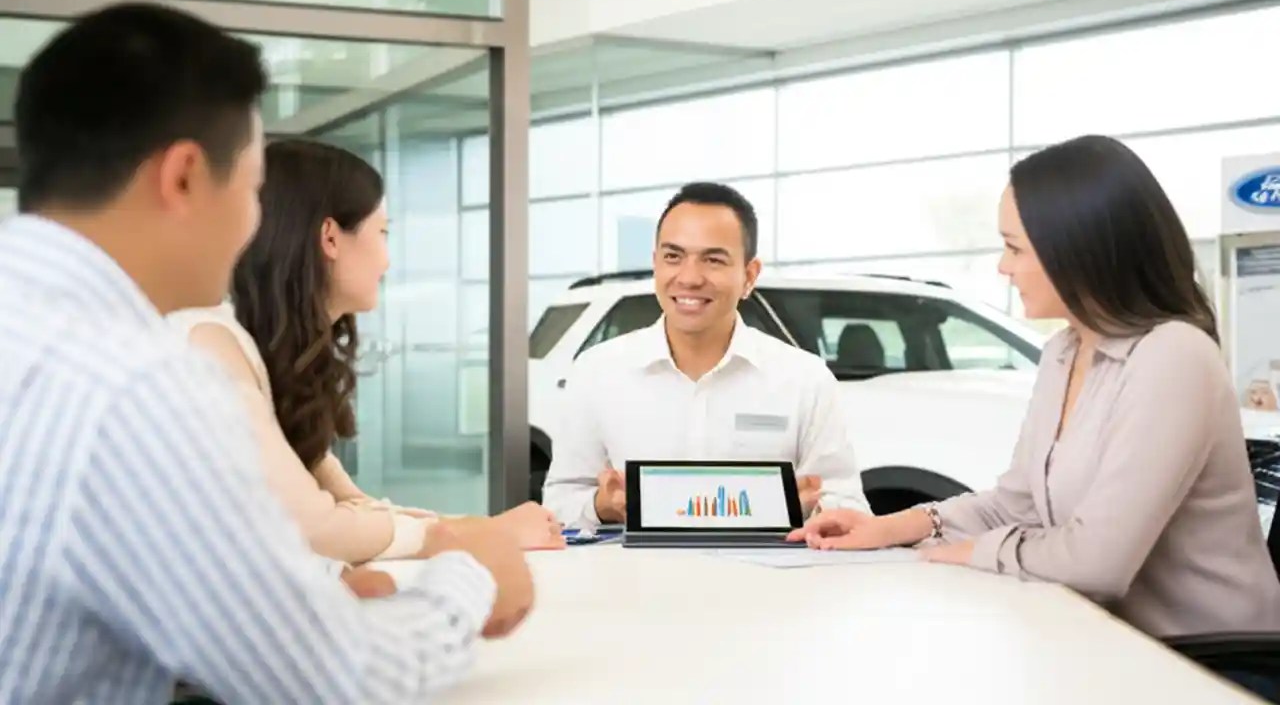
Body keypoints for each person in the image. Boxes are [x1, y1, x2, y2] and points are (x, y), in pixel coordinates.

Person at [0, 3, 532, 703]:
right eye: (252, 189)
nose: (256, 223)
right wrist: (469, 574)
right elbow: (331, 682)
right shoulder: (141, 384)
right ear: (184, 177)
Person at [788, 135, 1280, 640]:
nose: (1003, 267)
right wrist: (884, 530)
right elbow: (1016, 503)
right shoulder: (1065, 352)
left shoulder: (1174, 355)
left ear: (1078, 251)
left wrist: (970, 553)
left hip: (1209, 661)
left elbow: (1098, 561)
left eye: (1014, 247)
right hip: (1101, 637)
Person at [168, 138, 564, 565]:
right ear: (331, 238)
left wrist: (482, 529)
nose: (387, 261)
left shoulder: (267, 355)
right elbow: (319, 528)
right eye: (382, 232)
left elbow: (357, 510)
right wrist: (482, 534)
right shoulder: (210, 347)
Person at [543, 181, 870, 526]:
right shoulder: (597, 371)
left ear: (749, 275)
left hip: (765, 578)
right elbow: (560, 503)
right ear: (655, 264)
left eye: (713, 260)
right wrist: (601, 506)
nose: (689, 278)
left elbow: (847, 504)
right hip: (637, 578)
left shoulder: (805, 379)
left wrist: (811, 508)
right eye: (673, 257)